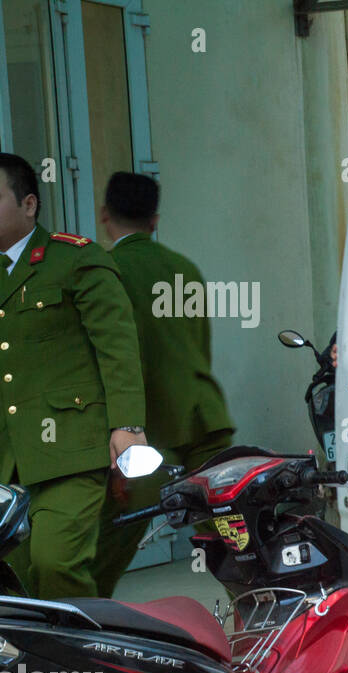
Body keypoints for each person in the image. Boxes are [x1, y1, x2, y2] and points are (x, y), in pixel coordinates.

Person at [0, 153, 147, 598]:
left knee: (55, 562)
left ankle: (85, 664)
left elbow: (116, 347)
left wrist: (128, 425)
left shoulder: (74, 260)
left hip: (70, 449)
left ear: (29, 204)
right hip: (8, 457)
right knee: (17, 579)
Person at [90, 172, 235, 598]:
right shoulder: (184, 268)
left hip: (146, 435)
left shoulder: (103, 271)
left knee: (107, 539)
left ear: (104, 216)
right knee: (232, 539)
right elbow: (198, 347)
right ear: (155, 220)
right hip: (204, 421)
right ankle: (265, 619)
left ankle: (78, 625)